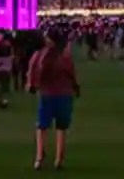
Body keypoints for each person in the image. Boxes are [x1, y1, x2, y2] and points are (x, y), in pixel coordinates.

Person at [27, 30, 79, 170]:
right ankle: (58, 158)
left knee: (43, 126)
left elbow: (33, 70)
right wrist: (75, 86)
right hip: (63, 93)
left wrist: (31, 85)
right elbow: (71, 72)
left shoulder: (41, 54)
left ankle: (40, 156)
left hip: (48, 93)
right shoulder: (64, 55)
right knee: (60, 127)